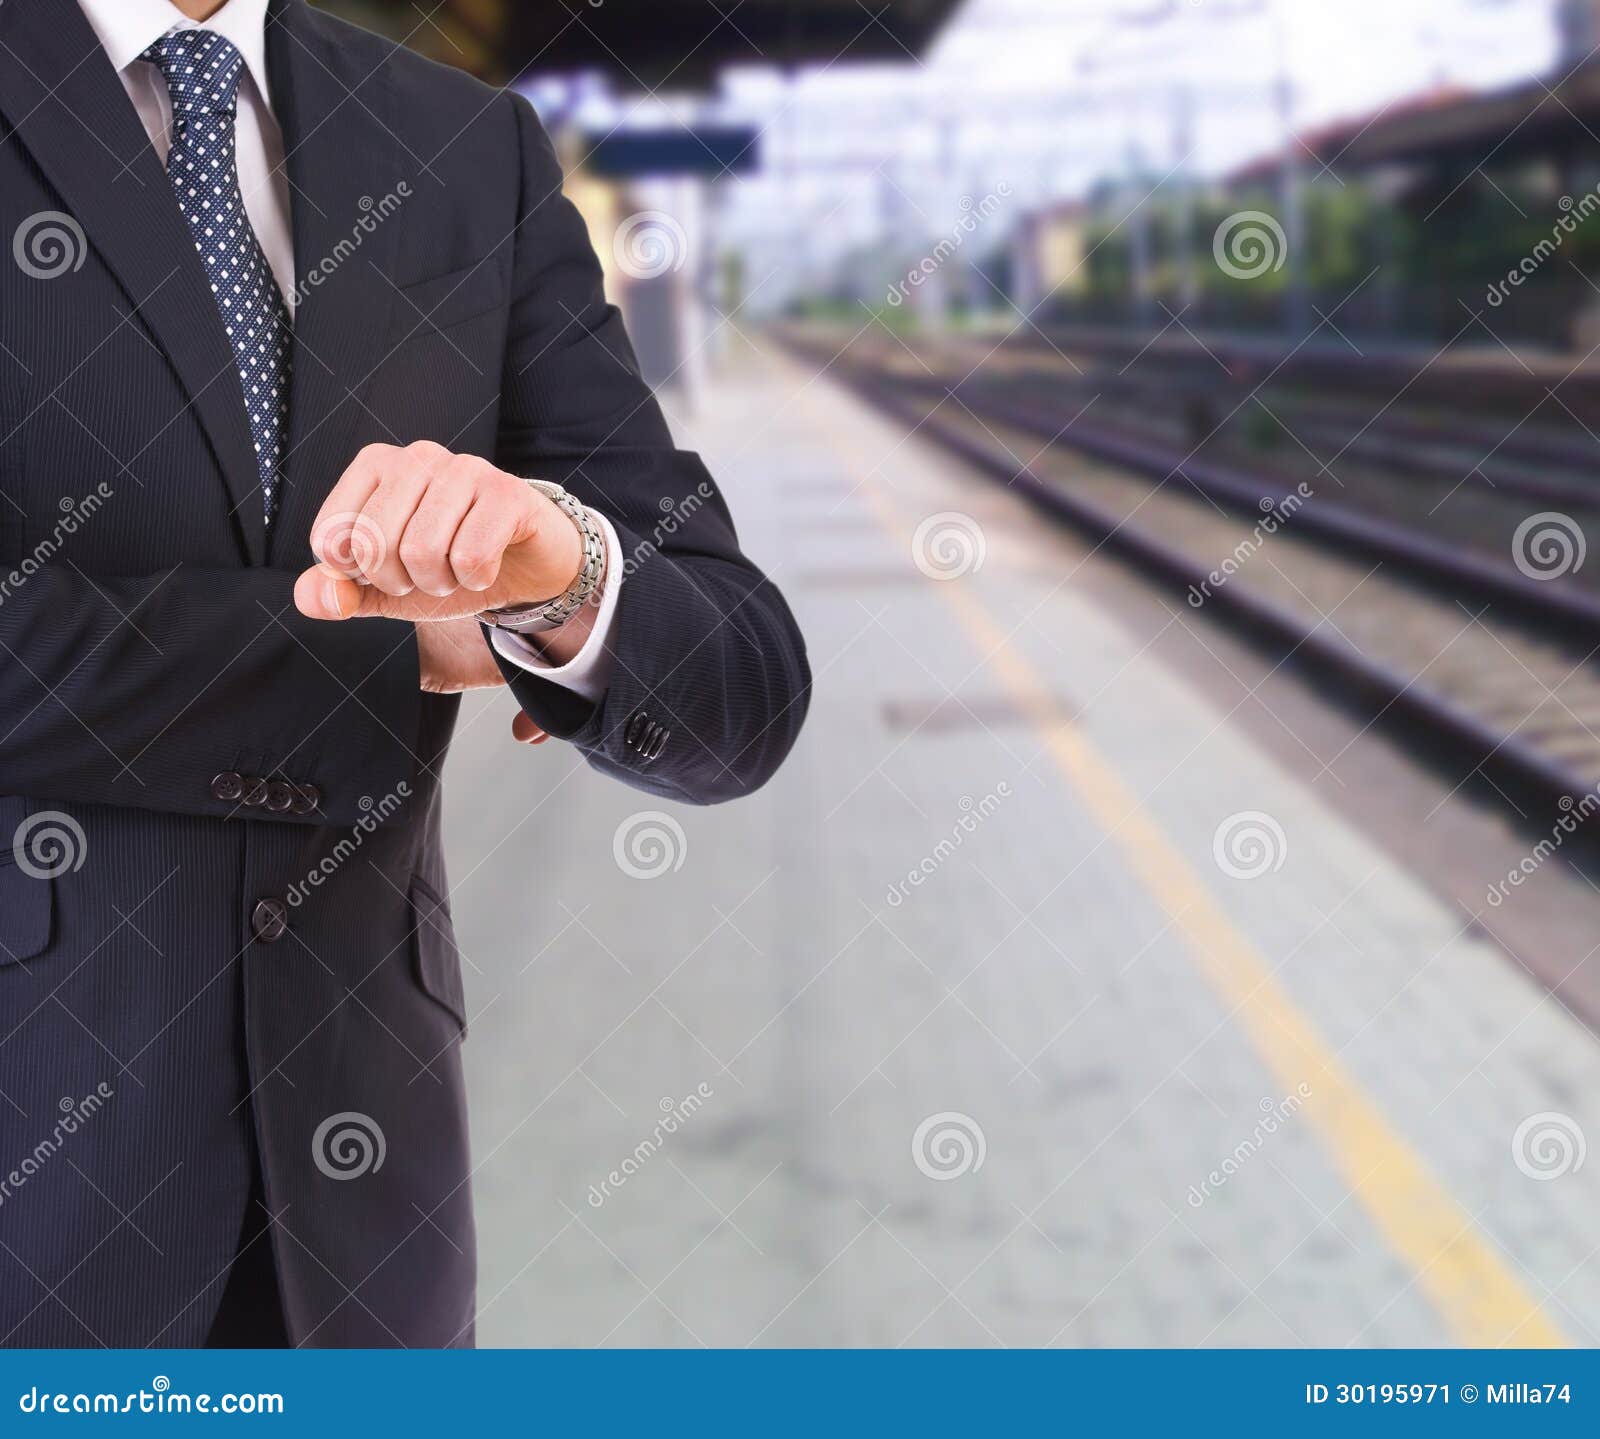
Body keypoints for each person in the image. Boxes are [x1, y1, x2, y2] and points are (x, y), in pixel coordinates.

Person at [0, 0, 809, 1347]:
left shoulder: (460, 145)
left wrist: (563, 579)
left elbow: (739, 681)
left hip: (366, 1223)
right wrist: (409, 649)